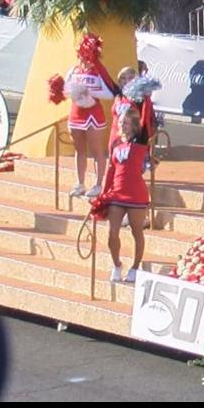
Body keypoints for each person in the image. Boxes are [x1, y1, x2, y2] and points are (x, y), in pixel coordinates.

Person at [89, 106, 152, 284]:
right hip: (117, 193)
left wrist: (145, 97)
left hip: (136, 194)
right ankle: (116, 264)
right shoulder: (116, 144)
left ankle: (135, 267)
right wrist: (102, 194)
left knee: (136, 231)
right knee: (112, 232)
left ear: (134, 125)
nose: (122, 125)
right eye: (121, 122)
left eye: (126, 123)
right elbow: (111, 170)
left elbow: (146, 117)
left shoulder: (140, 141)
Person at [64, 36, 120, 199]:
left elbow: (110, 94)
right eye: (82, 54)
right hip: (76, 114)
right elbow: (65, 91)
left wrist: (90, 92)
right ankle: (80, 183)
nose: (84, 58)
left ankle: (98, 184)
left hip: (93, 115)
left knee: (97, 151)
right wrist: (72, 91)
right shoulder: (73, 71)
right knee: (79, 150)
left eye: (88, 55)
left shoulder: (98, 71)